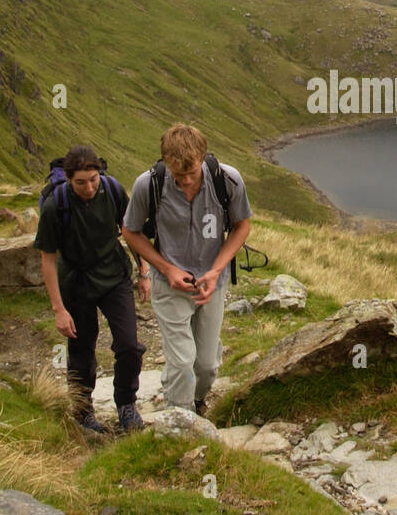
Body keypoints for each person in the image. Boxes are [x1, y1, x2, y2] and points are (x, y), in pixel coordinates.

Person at [123, 124, 252, 416]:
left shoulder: (227, 179)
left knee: (206, 365)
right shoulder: (149, 184)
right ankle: (179, 419)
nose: (184, 181)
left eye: (191, 173)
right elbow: (130, 232)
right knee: (182, 361)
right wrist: (166, 269)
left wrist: (217, 270)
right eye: (177, 175)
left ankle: (196, 400)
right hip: (169, 286)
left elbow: (242, 225)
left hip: (212, 285)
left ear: (202, 158)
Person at [34, 144, 147, 434]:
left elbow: (130, 231)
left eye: (93, 179)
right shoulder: (54, 205)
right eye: (81, 182)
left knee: (129, 345)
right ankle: (83, 412)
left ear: (101, 174)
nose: (89, 187)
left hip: (114, 276)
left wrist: (143, 272)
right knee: (81, 349)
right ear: (69, 180)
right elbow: (48, 260)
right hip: (76, 282)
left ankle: (126, 404)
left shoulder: (111, 190)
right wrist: (59, 309)